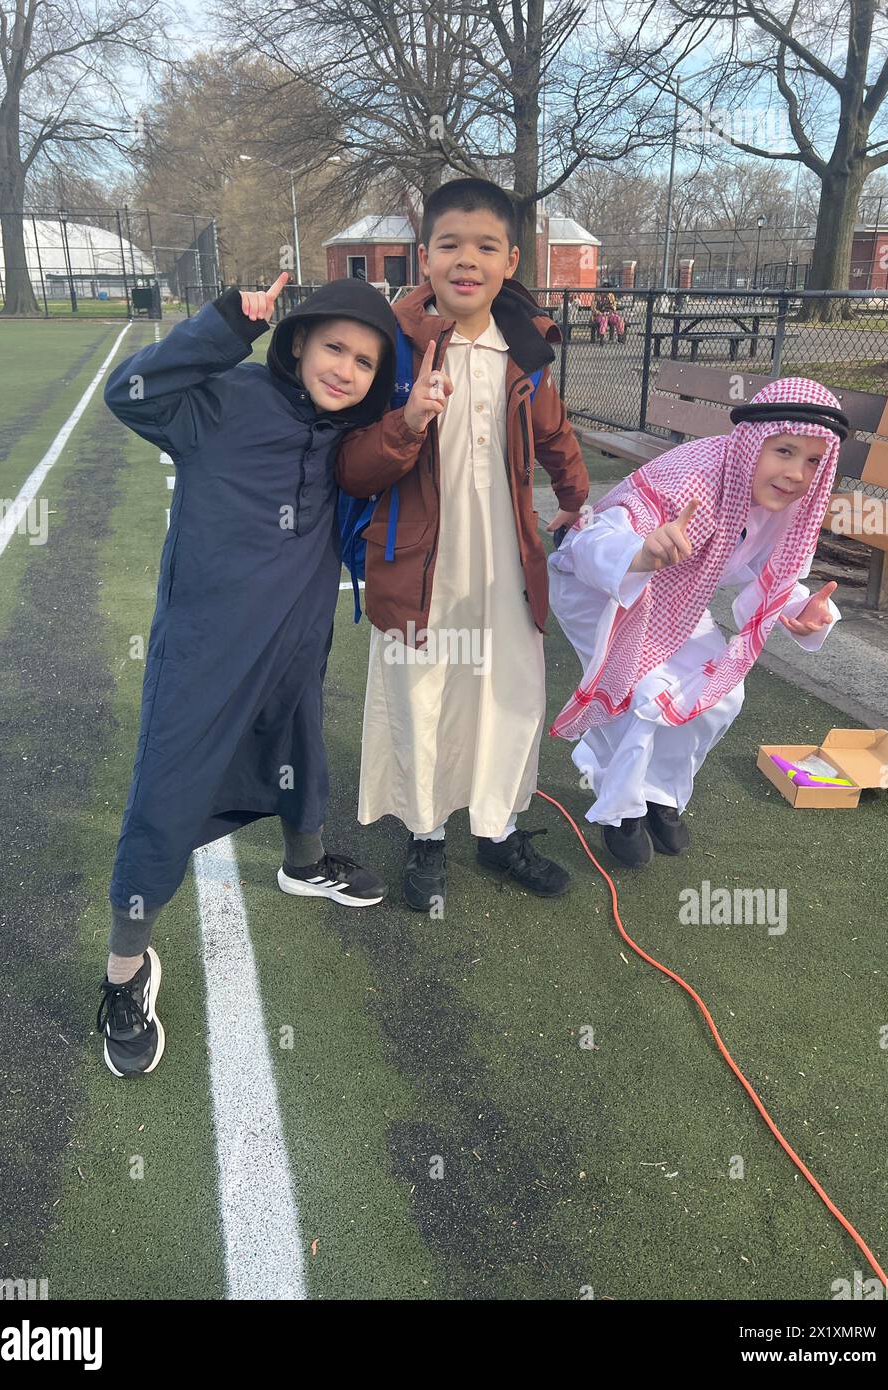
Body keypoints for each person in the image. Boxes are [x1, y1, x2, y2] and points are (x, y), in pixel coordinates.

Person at [98, 274, 397, 1076]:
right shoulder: (222, 402)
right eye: (333, 346)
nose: (345, 370)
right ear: (296, 343)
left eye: (366, 361)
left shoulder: (353, 440)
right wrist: (227, 322)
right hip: (205, 651)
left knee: (303, 749)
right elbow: (129, 392)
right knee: (164, 798)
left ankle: (303, 866)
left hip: (295, 643)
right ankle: (125, 973)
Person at [336, 177, 590, 912]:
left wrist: (576, 500)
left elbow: (553, 433)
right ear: (426, 256)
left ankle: (498, 827)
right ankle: (425, 838)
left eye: (485, 246)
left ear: (511, 259)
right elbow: (352, 469)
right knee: (422, 698)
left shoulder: (525, 350)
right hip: (417, 567)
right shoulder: (390, 348)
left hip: (506, 564)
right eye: (449, 245)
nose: (466, 260)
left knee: (508, 696)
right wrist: (406, 422)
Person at [547, 376, 845, 867]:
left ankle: (661, 794)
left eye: (812, 460)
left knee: (723, 692)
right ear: (754, 443)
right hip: (606, 587)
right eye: (785, 451)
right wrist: (641, 553)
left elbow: (771, 573)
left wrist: (801, 608)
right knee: (642, 695)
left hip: (680, 594)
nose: (796, 474)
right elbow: (591, 541)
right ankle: (621, 807)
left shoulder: (788, 502)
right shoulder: (692, 477)